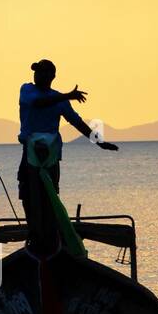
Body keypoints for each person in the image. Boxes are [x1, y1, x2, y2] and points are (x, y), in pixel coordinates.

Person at [18, 58, 118, 211]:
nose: (37, 75)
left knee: (50, 195)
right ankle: (34, 230)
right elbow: (38, 102)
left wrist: (99, 142)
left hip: (50, 155)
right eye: (36, 71)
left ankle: (51, 228)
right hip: (29, 153)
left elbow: (77, 123)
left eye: (41, 71)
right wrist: (66, 96)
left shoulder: (60, 100)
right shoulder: (27, 90)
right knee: (28, 195)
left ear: (51, 76)